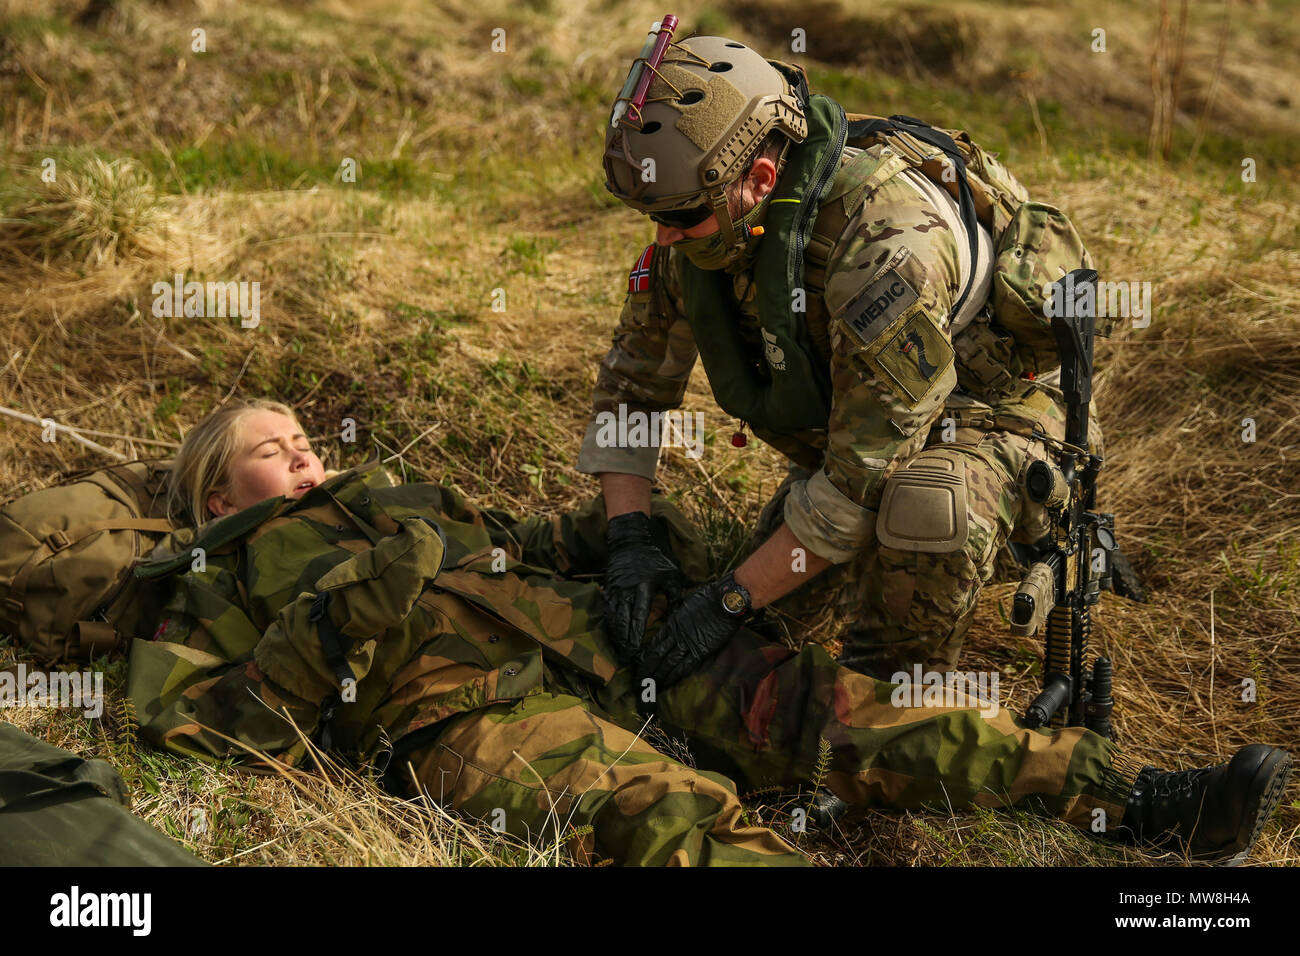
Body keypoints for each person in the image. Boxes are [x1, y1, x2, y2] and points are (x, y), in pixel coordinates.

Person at [123, 400, 1291, 866]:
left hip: (604, 644)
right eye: (271, 447)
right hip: (467, 716)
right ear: (217, 493)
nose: (305, 452)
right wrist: (333, 621)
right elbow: (199, 731)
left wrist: (622, 538)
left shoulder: (395, 497)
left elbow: (521, 536)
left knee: (842, 713)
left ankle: (1138, 801)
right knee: (664, 823)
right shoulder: (208, 580)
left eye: (303, 436)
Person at [583, 29, 1106, 683]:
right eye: (652, 213)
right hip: (872, 427)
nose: (663, 235)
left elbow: (862, 482)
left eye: (680, 215)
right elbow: (630, 390)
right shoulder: (699, 228)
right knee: (746, 645)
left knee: (921, 509)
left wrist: (731, 598)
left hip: (998, 416)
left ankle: (889, 722)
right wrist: (630, 537)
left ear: (760, 179)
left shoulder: (884, 250)